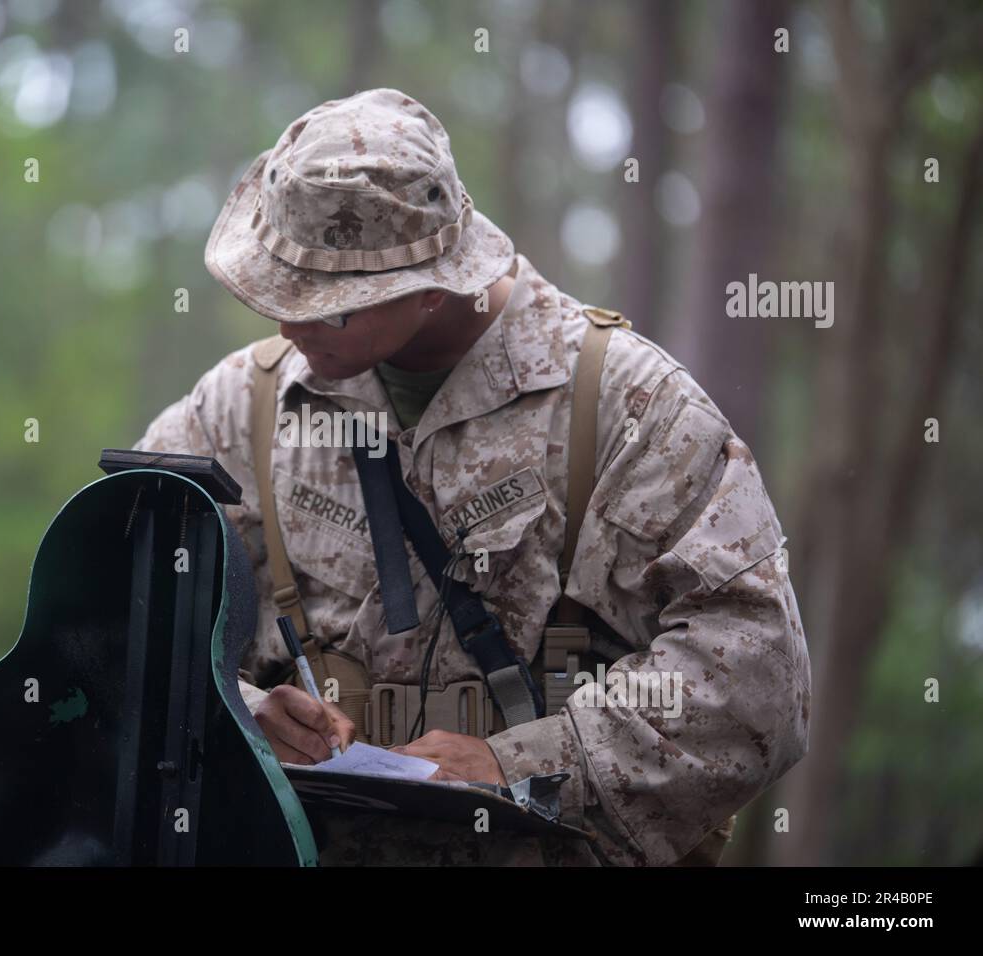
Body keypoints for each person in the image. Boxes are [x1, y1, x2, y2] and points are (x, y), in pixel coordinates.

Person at [134, 88, 810, 866]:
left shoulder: (627, 410)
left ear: (432, 285)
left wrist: (517, 764)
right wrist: (246, 711)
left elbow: (758, 682)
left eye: (329, 305)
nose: (288, 325)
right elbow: (122, 619)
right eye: (280, 290)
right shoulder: (241, 408)